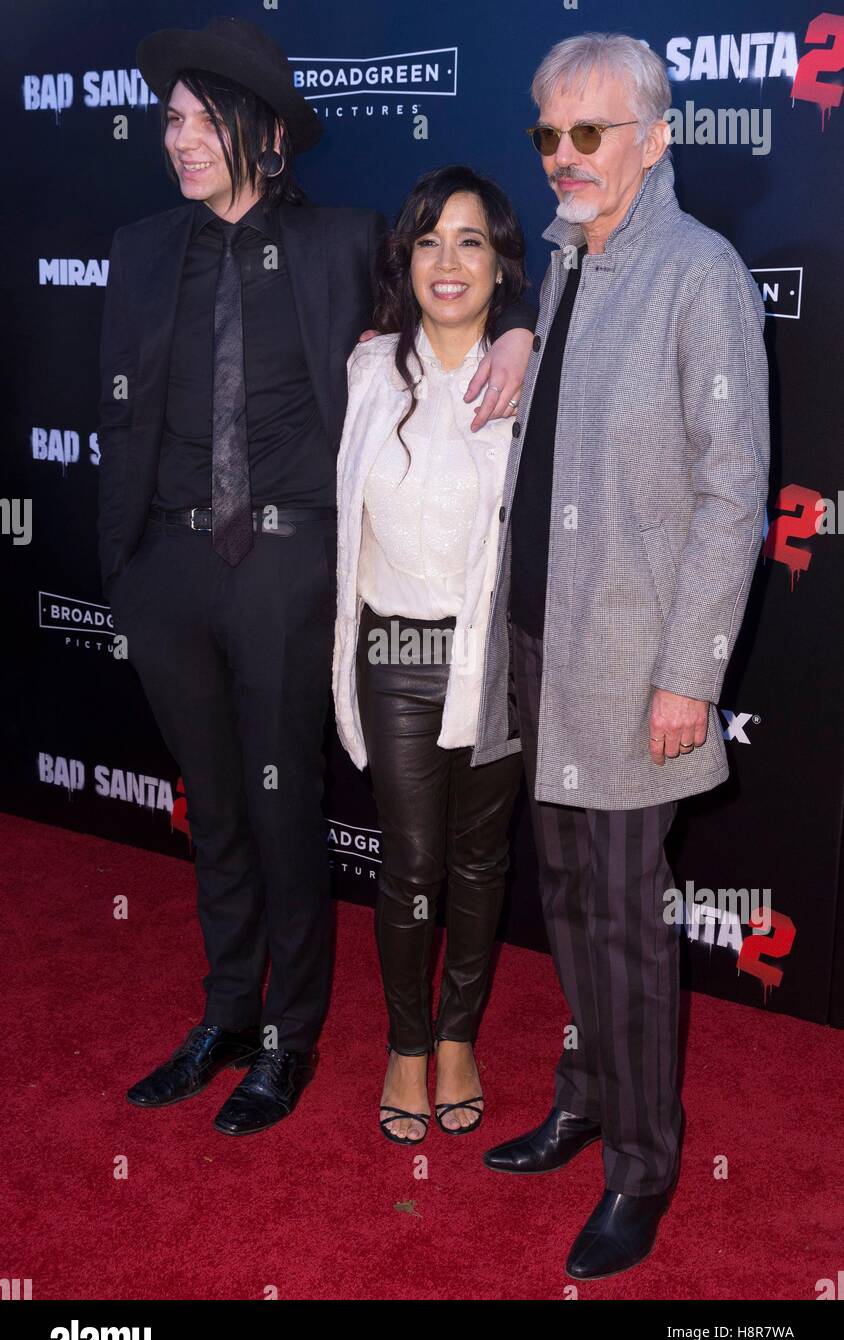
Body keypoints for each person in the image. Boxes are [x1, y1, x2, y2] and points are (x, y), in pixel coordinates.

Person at [99, 16, 535, 1137]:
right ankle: (228, 1013)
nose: (178, 142)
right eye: (170, 122)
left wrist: (524, 328)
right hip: (169, 566)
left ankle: (289, 1039)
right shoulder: (144, 250)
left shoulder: (345, 243)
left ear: (267, 132)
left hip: (289, 566)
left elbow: (466, 271)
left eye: (201, 121)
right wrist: (133, 565)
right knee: (219, 812)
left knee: (286, 810)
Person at [471, 33, 769, 1276]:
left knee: (629, 924)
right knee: (579, 903)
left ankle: (643, 1165)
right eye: (548, 136)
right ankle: (587, 1093)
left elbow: (734, 492)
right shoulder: (565, 263)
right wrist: (528, 332)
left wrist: (689, 677)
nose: (562, 159)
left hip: (633, 662)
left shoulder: (697, 273)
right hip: (544, 644)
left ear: (655, 137)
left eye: (588, 134)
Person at [333, 167, 526, 1143]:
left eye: (470, 242)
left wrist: (530, 334)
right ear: (403, 260)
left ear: (501, 265)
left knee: (480, 860)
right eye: (428, 242)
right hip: (393, 648)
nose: (448, 262)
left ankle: (459, 1036)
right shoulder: (368, 369)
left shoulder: (528, 374)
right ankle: (407, 1044)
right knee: (409, 862)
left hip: (491, 659)